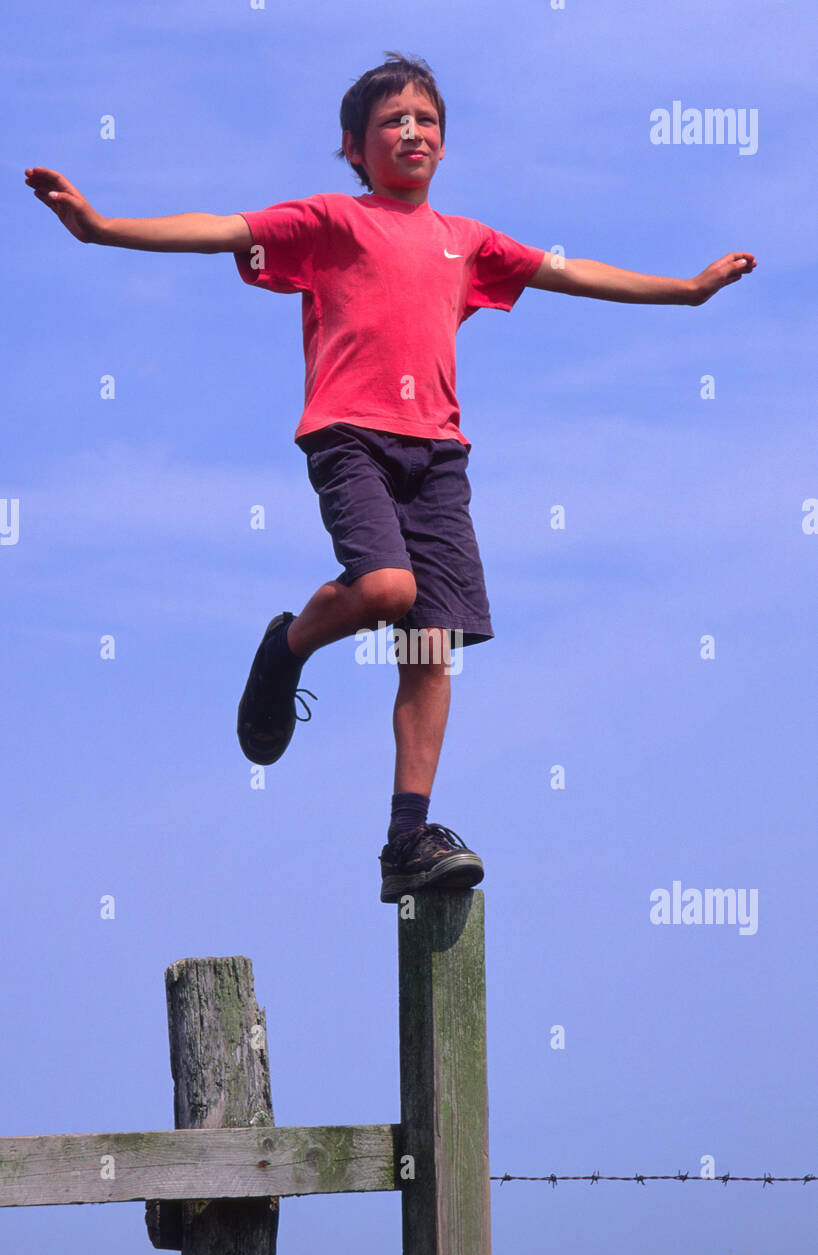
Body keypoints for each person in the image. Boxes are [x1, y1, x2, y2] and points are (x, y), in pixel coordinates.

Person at [24, 51, 756, 905]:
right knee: (384, 589)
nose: (412, 131)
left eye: (426, 121)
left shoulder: (469, 242)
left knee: (429, 645)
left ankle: (406, 839)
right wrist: (103, 226)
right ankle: (286, 646)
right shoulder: (331, 220)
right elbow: (222, 227)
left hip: (439, 456)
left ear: (443, 145)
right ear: (354, 148)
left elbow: (569, 273)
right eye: (391, 122)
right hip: (352, 438)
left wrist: (688, 291)